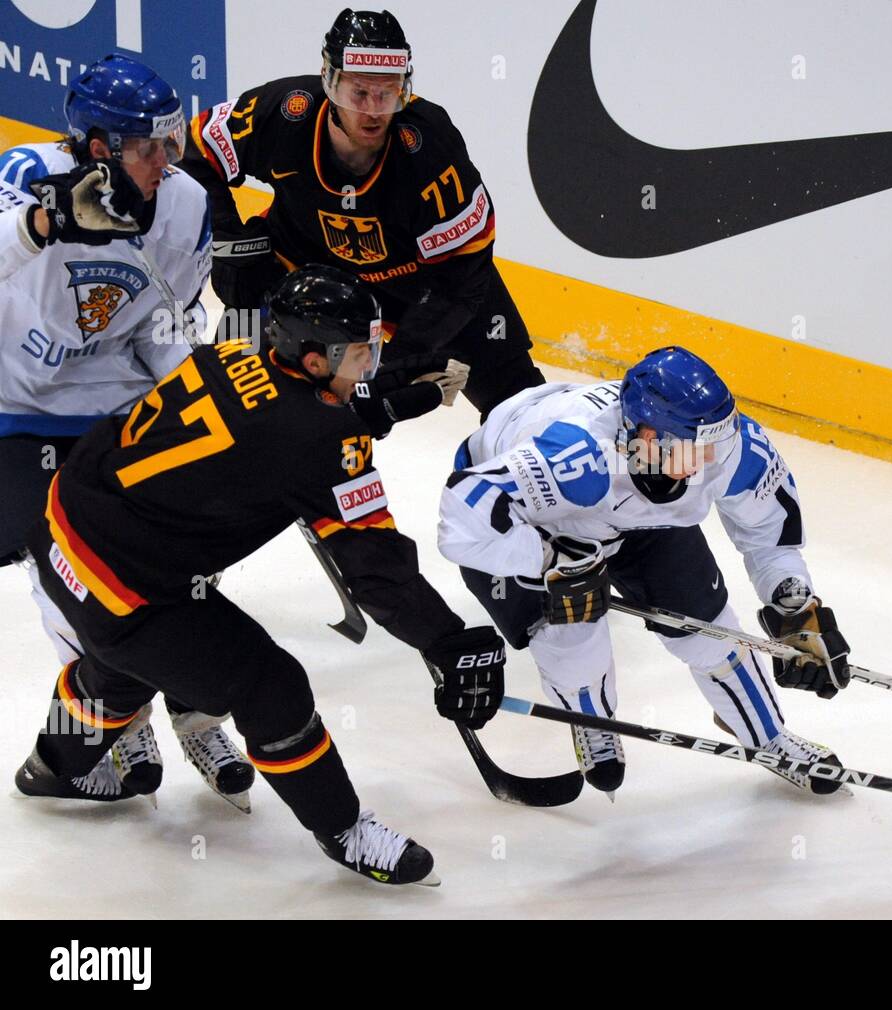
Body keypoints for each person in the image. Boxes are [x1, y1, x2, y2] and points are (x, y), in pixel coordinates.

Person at [14, 265, 506, 886]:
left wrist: (387, 404)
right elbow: (377, 571)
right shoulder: (321, 439)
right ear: (312, 358)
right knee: (271, 686)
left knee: (127, 664)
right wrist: (451, 642)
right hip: (130, 586)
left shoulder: (230, 353)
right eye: (359, 353)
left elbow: (279, 421)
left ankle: (53, 767)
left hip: (63, 530)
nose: (371, 361)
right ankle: (344, 829)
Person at [0, 53, 255, 807]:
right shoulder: (24, 174)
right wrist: (39, 225)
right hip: (16, 408)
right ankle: (123, 705)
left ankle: (194, 708)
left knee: (185, 547)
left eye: (171, 141)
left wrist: (192, 391)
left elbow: (166, 321)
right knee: (67, 563)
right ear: (99, 146)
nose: (165, 160)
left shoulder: (182, 204)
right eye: (147, 146)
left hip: (117, 401)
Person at [438, 346, 853, 796]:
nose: (708, 461)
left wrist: (794, 604)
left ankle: (770, 737)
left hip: (636, 517)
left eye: (715, 442)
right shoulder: (573, 454)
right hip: (538, 520)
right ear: (646, 435)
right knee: (574, 643)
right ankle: (592, 719)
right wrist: (547, 560)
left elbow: (772, 536)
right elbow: (461, 521)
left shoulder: (728, 448)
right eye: (694, 447)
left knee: (708, 628)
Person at [180, 7, 546, 419]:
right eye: (359, 93)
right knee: (233, 392)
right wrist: (229, 239)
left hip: (420, 288)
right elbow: (195, 151)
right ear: (329, 81)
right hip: (302, 277)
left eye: (387, 93)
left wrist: (397, 363)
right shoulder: (284, 112)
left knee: (521, 405)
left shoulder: (429, 148)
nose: (374, 110)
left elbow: (462, 275)